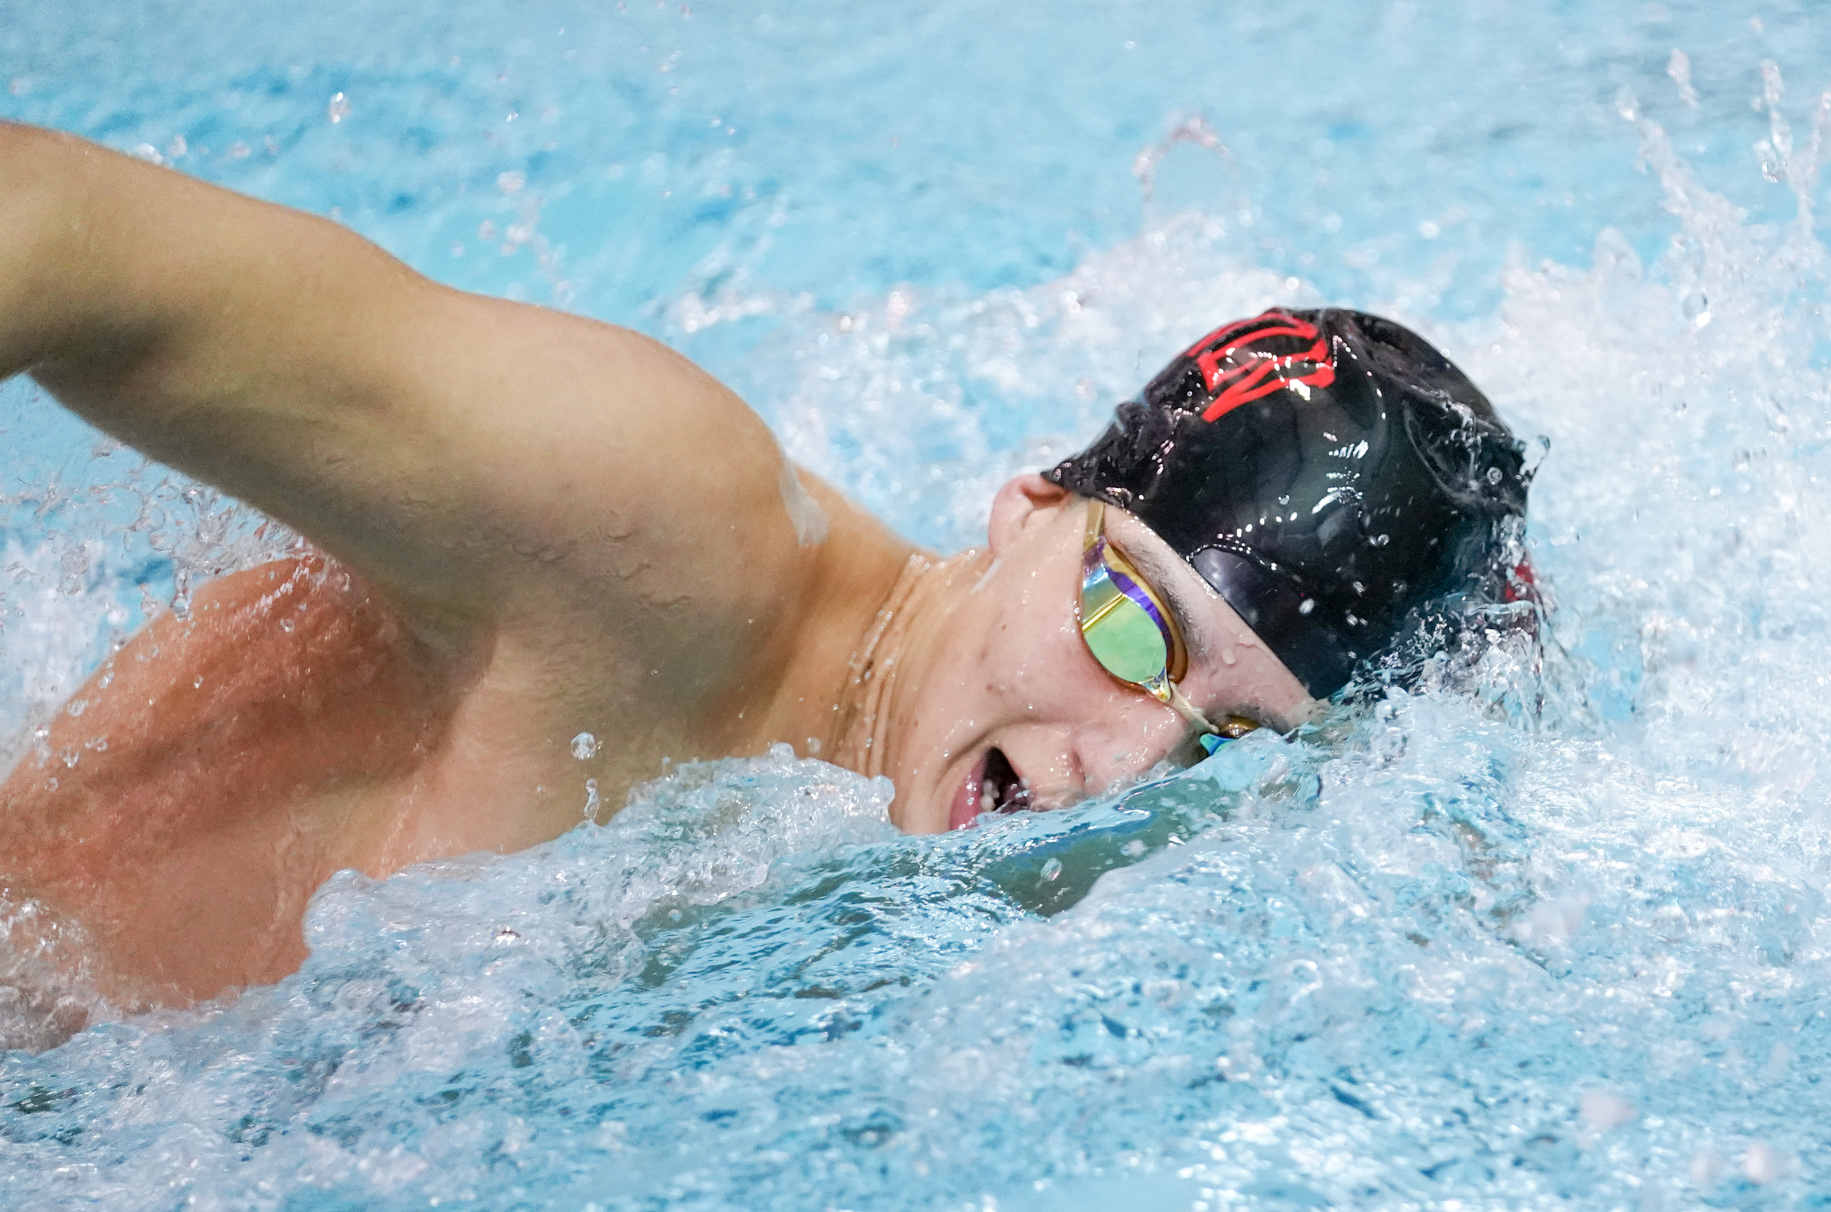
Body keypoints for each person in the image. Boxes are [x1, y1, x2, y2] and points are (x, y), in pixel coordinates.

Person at [0, 122, 1531, 1012]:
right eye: (1133, 629)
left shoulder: (918, 861)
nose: (1121, 770)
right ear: (1026, 505)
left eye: (1227, 742)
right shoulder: (665, 533)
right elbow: (63, 237)